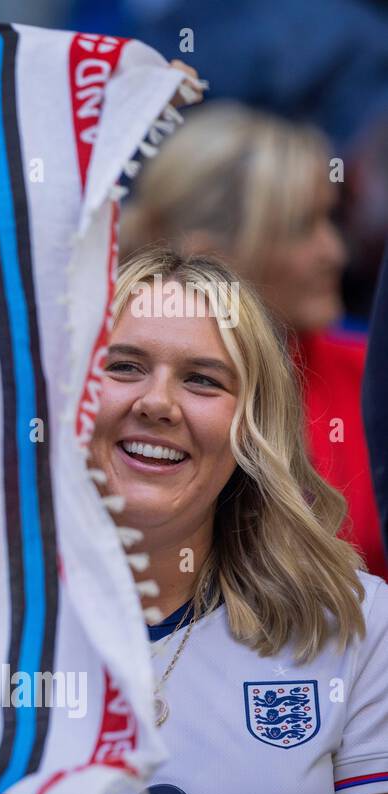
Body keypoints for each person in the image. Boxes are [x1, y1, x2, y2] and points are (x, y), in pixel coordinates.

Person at [40, 248, 388, 794]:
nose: (158, 403)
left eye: (202, 378)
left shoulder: (357, 624)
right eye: (123, 366)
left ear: (251, 425)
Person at [121, 102, 386, 579]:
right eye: (303, 227)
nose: (335, 251)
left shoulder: (370, 377)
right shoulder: (98, 386)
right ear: (209, 257)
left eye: (332, 219)